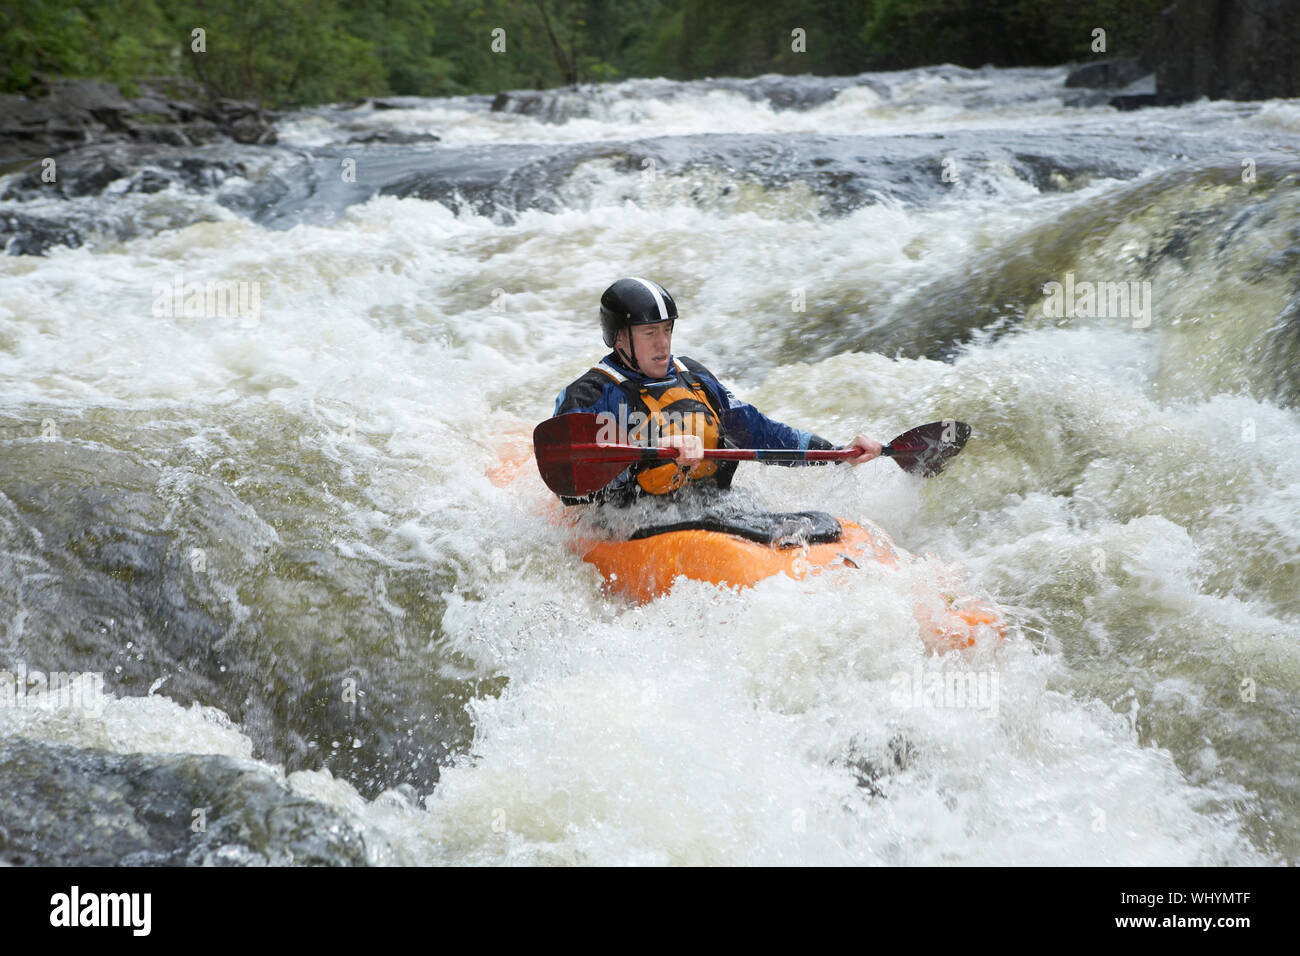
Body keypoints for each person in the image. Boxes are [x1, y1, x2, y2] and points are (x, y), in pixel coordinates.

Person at [549, 277, 882, 506]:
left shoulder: (692, 375)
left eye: (667, 330)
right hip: (630, 524)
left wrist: (837, 453)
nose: (663, 343)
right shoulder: (590, 394)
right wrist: (651, 449)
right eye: (649, 332)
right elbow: (571, 488)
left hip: (710, 509)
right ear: (619, 338)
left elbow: (757, 431)